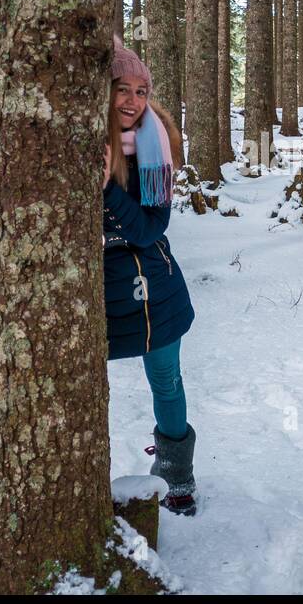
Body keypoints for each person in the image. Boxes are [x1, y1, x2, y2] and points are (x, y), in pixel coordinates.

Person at [102, 40, 198, 515]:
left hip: (156, 289)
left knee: (166, 382)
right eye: (122, 88)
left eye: (141, 91)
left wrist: (106, 189)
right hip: (98, 293)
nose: (132, 101)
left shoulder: (154, 146)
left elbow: (148, 228)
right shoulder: (82, 143)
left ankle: (177, 478)